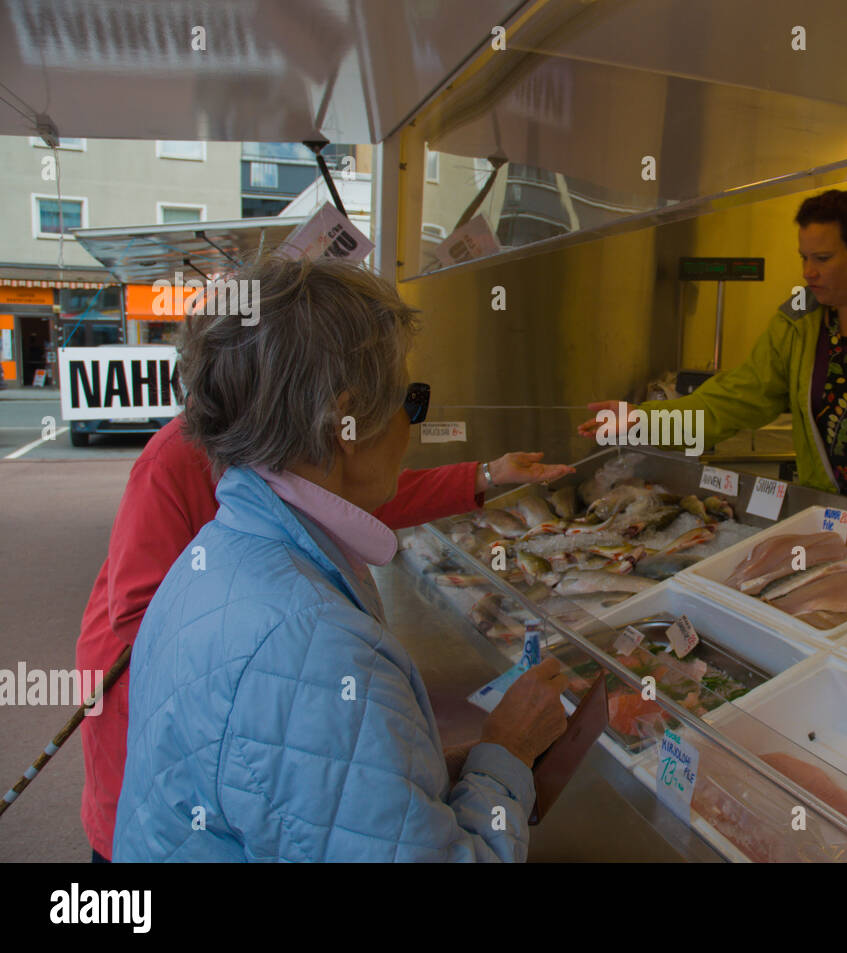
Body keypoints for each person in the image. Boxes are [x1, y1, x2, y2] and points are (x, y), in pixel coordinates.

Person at [110, 255, 569, 861]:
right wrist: (506, 754)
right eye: (411, 400)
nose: (411, 426)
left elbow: (305, 795)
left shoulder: (220, 553)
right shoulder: (312, 644)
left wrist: (434, 770)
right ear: (346, 424)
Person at [580, 190, 847, 525]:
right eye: (804, 257)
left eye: (823, 258)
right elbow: (731, 399)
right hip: (840, 522)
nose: (808, 272)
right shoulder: (799, 324)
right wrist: (646, 421)